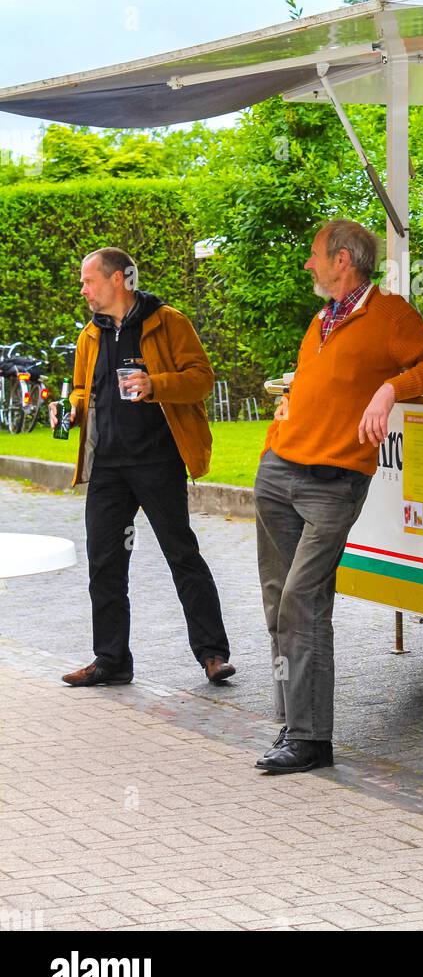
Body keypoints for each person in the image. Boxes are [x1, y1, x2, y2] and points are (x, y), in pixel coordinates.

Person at [253, 219, 423, 775]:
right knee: (280, 603)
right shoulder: (322, 319)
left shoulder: (389, 314)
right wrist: (274, 443)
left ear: (344, 259)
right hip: (279, 471)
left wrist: (390, 388)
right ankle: (291, 724)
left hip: (333, 482)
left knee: (303, 600)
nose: (309, 265)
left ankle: (309, 739)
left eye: (315, 255)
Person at [53, 248, 235, 688]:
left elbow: (202, 378)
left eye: (88, 280)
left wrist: (156, 384)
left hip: (158, 459)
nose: (83, 289)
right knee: (105, 563)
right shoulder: (89, 336)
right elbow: (82, 388)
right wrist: (74, 408)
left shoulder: (167, 322)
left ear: (118, 280)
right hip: (109, 468)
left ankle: (212, 654)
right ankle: (112, 661)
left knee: (181, 554)